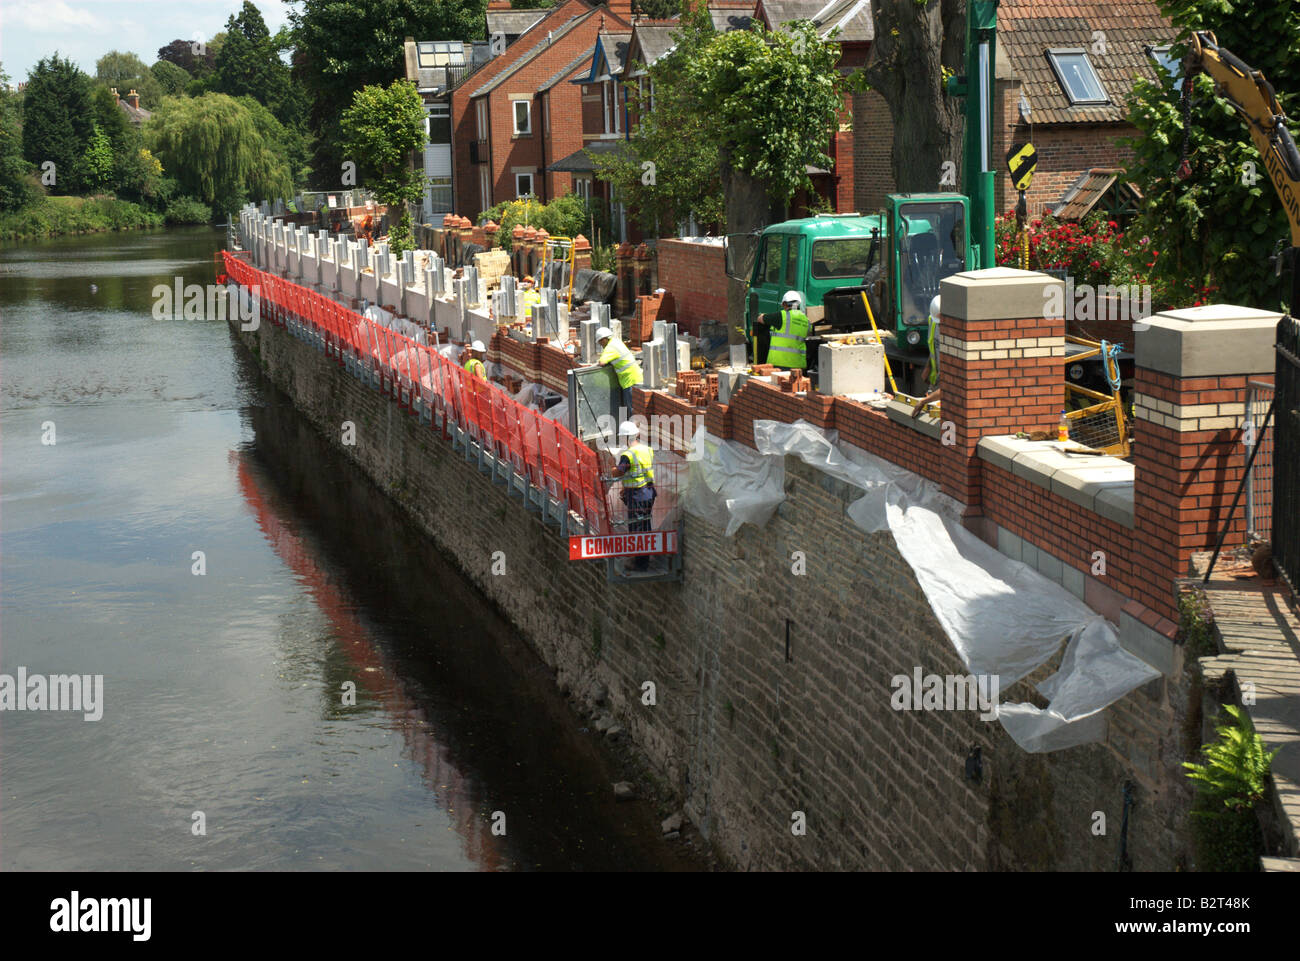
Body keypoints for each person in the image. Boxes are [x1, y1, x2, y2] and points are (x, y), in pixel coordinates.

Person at [611, 421, 656, 572]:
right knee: (645, 526)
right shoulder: (647, 449)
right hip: (648, 492)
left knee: (637, 528)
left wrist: (613, 470)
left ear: (625, 438)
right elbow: (639, 471)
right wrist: (626, 486)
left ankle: (640, 564)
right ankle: (642, 559)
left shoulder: (628, 455)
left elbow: (619, 472)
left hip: (637, 495)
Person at [755, 291, 810, 370]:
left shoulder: (782, 316)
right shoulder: (806, 320)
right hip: (799, 366)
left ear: (784, 304)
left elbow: (760, 319)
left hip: (780, 364)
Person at [596, 326, 643, 416]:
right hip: (636, 377)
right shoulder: (616, 342)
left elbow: (602, 362)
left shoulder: (610, 348)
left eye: (600, 342)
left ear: (604, 339)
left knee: (632, 409)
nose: (601, 345)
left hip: (629, 381)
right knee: (633, 408)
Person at [912, 295, 942, 419]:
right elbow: (933, 347)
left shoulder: (955, 334)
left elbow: (949, 389)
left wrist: (924, 401)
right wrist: (928, 366)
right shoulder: (933, 321)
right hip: (936, 379)